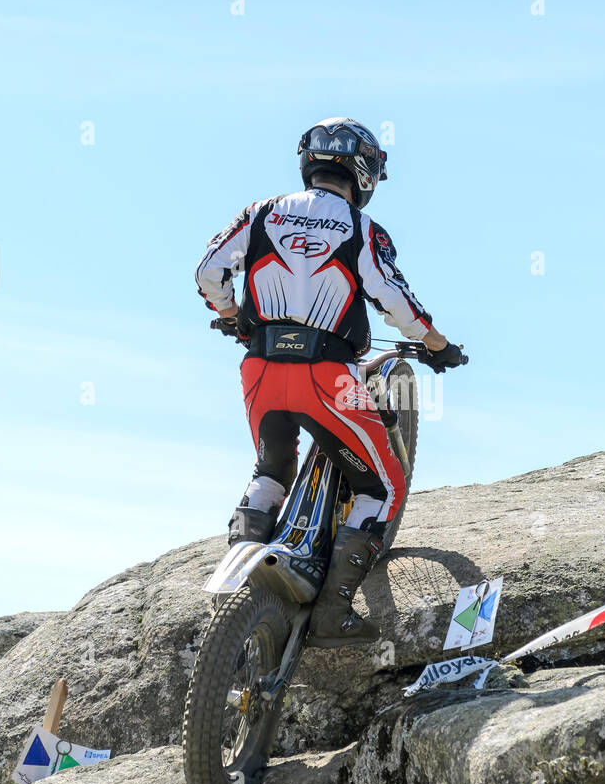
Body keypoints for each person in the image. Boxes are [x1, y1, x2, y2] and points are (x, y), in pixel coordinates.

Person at [194, 117, 466, 647]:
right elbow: (392, 296)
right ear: (364, 174)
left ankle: (237, 587)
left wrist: (230, 314)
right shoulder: (363, 229)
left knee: (271, 467)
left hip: (260, 370)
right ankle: (333, 612)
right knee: (381, 486)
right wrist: (436, 345)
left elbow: (207, 270)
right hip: (328, 379)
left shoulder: (260, 213)